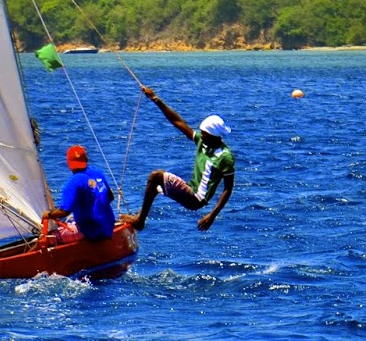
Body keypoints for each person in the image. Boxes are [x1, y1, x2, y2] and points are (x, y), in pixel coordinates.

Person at [123, 86, 236, 232]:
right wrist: (155, 99)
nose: (200, 136)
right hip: (190, 188)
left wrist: (212, 215)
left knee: (156, 176)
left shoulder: (225, 157)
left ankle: (140, 221)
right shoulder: (202, 141)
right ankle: (141, 216)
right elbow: (178, 122)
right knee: (155, 185)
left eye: (204, 134)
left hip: (196, 198)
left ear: (213, 135)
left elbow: (228, 189)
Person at [43, 144, 117, 242]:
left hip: (92, 232)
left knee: (49, 239)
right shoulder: (98, 173)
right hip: (108, 225)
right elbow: (110, 197)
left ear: (68, 163)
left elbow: (64, 212)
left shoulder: (73, 183)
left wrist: (48, 214)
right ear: (86, 159)